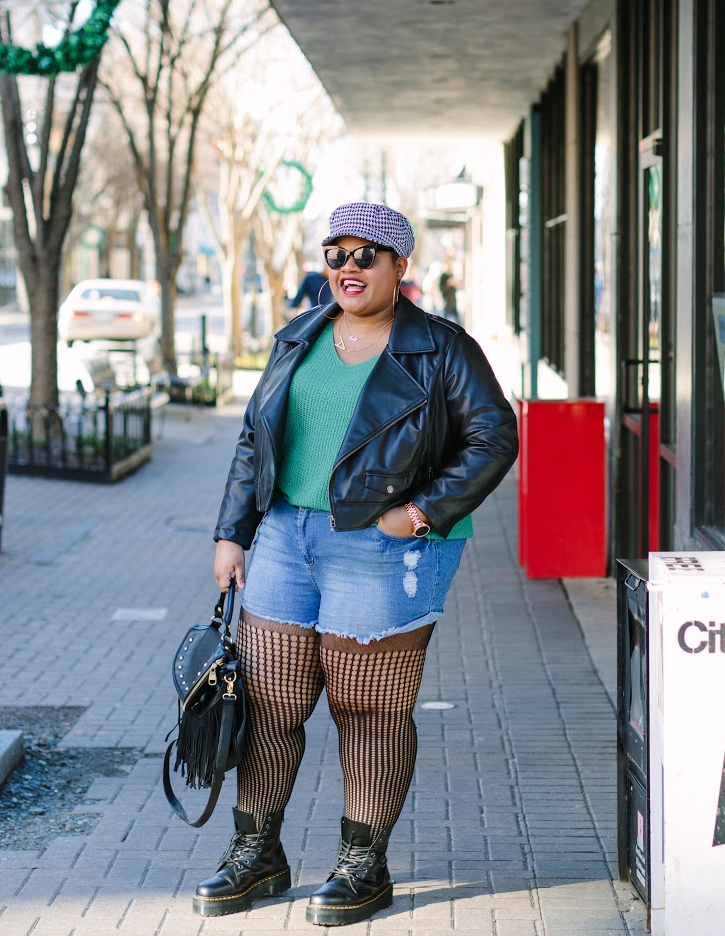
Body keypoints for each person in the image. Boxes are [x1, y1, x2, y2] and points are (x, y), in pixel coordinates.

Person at [199, 201, 518, 926]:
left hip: (383, 546)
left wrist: (420, 511)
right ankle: (258, 852)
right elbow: (257, 435)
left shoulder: (441, 349)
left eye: (364, 254)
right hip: (284, 535)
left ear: (399, 266)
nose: (347, 268)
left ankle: (362, 865)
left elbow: (494, 436)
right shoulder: (299, 335)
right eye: (335, 254)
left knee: (366, 709)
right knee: (272, 703)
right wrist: (232, 532)